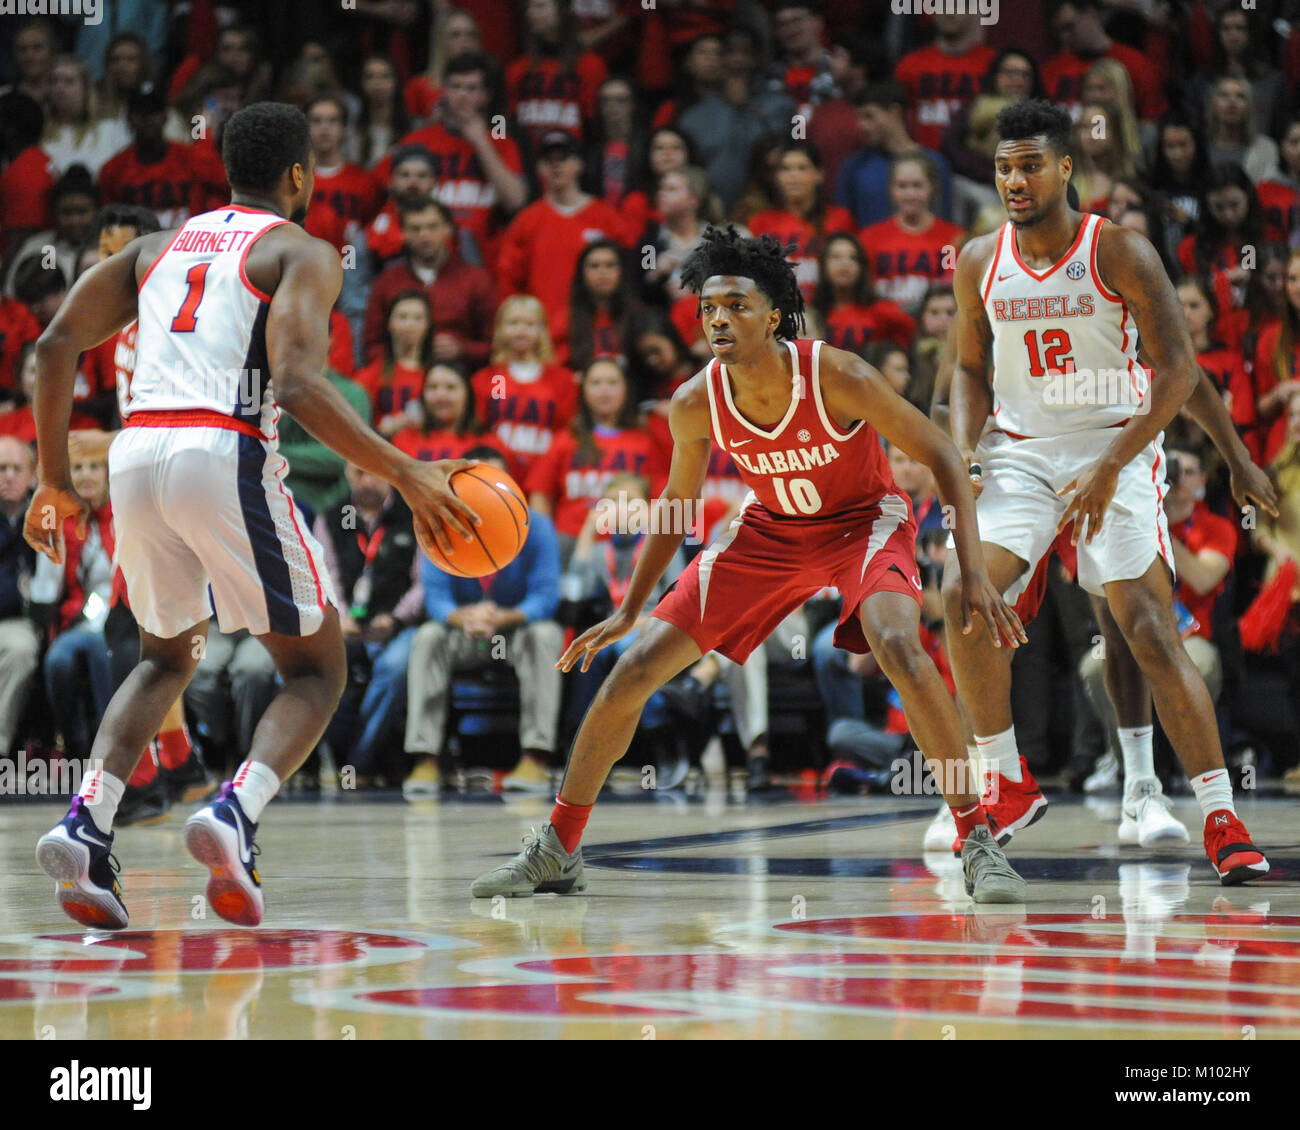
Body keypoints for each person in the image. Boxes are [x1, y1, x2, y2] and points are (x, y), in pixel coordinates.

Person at [470, 224, 1029, 903]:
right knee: (635, 667)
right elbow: (676, 509)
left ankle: (978, 838)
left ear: (773, 312)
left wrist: (971, 574)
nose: (719, 319)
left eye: (735, 305)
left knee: (899, 645)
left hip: (862, 525)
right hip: (769, 533)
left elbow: (941, 453)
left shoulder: (838, 374)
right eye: (708, 308)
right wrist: (628, 607)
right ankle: (558, 847)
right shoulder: (693, 400)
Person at [27, 102, 480, 932]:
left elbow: (53, 347)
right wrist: (410, 471)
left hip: (136, 452)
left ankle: (86, 822)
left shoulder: (156, 247)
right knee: (317, 669)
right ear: (300, 176)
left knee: (165, 658)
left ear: (225, 169)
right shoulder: (297, 249)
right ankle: (236, 813)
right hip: (221, 448)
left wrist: (54, 482)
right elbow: (302, 387)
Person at [943, 98, 1268, 884]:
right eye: (1002, 167)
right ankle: (1007, 780)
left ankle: (1220, 815)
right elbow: (968, 368)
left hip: (1114, 447)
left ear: (1065, 169)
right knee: (962, 595)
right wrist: (959, 451)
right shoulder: (978, 259)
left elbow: (1179, 373)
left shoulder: (1119, 251)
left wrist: (1124, 462)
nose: (1014, 179)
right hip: (1019, 455)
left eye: (1029, 165)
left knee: (1148, 631)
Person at [404, 444, 564, 797]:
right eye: (478, 480)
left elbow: (547, 595)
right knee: (428, 636)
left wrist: (505, 615)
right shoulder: (439, 520)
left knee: (546, 635)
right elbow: (435, 598)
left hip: (514, 630)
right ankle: (425, 759)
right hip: (466, 632)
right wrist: (464, 617)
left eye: (496, 478)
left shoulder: (535, 525)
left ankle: (535, 758)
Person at [497, 130, 633, 344]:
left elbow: (629, 271)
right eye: (549, 160)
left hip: (598, 333)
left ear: (579, 164)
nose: (556, 166)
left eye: (564, 158)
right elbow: (509, 281)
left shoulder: (606, 217)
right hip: (543, 336)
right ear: (539, 168)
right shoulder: (526, 222)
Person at [363, 197, 496, 368]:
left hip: (461, 377)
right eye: (415, 229)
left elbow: (496, 346)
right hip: (400, 381)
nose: (424, 235)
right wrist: (401, 355)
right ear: (403, 234)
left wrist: (463, 350)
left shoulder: (477, 280)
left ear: (448, 229)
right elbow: (372, 346)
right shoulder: (387, 281)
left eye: (432, 227)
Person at [471, 294, 578, 480]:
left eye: (529, 324)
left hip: (546, 474)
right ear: (500, 329)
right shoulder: (493, 378)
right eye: (513, 323)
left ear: (541, 330)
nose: (521, 331)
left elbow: (567, 432)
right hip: (497, 473)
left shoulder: (561, 379)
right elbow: (482, 426)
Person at [747, 141, 856, 301]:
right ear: (776, 177)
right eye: (786, 169)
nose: (793, 175)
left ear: (819, 174)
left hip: (826, 312)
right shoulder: (760, 222)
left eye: (802, 168)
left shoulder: (840, 219)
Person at [0, 436, 41, 759]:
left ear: (32, 474)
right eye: (1, 469)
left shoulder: (44, 516)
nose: (9, 476)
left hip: (20, 622)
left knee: (21, 650)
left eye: (16, 468)